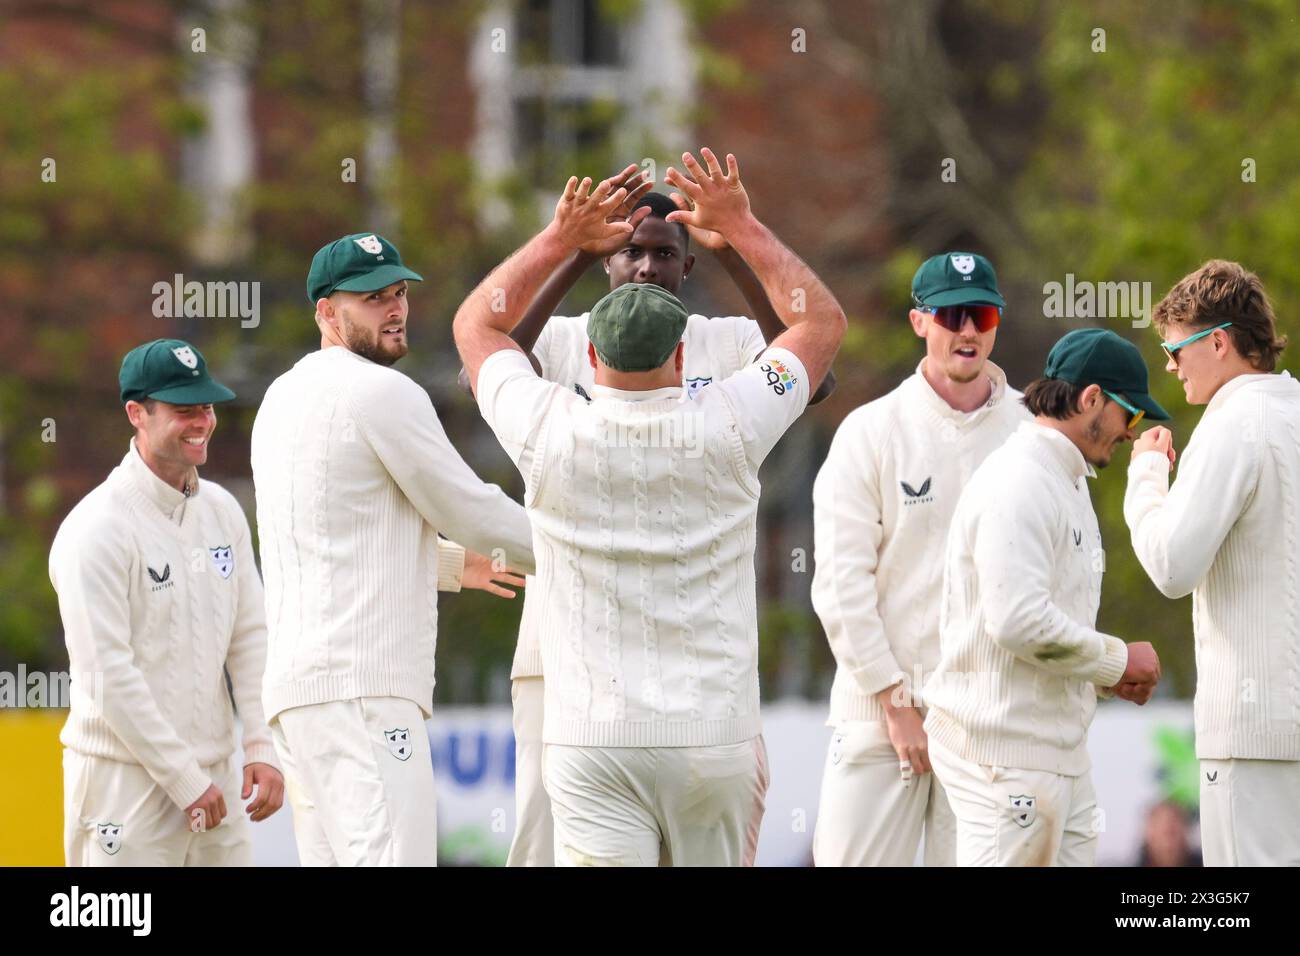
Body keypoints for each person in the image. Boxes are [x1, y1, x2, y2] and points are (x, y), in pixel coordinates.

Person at [455, 149, 846, 865]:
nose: (642, 267)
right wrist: (745, 233)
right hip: (678, 706)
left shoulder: (552, 423)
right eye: (628, 252)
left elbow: (482, 343)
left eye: (662, 254)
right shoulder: (730, 419)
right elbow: (812, 338)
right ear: (678, 365)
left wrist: (564, 244)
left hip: (596, 717)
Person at [251, 233, 534, 866]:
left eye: (400, 293)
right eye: (374, 299)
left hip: (301, 700)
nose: (395, 309)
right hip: (366, 694)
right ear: (326, 312)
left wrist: (457, 565)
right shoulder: (383, 392)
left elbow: (333, 534)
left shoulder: (277, 400)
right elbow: (469, 508)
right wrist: (589, 549)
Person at [810, 252, 1029, 867]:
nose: (967, 331)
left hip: (987, 719)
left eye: (981, 314)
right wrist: (892, 699)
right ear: (918, 322)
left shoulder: (1030, 432)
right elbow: (839, 583)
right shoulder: (870, 430)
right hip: (879, 716)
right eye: (951, 314)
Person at [924, 328, 1166, 866]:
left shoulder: (1067, 479)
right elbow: (1016, 621)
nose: (1131, 434)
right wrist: (1117, 659)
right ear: (1091, 400)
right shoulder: (1021, 479)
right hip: (1004, 756)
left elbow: (1054, 618)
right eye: (1131, 415)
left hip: (1057, 753)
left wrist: (1106, 674)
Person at [51, 338, 283, 865]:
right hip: (123, 784)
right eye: (184, 410)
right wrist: (182, 779)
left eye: (206, 407)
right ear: (137, 413)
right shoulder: (95, 530)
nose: (202, 421)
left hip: (217, 781)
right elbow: (106, 674)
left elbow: (250, 637)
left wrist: (261, 748)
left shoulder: (222, 511)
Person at [1125, 259, 1300, 866]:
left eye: (1175, 351)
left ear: (1219, 342)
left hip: (1254, 740)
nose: (1170, 368)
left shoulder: (1233, 423)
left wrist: (1146, 475)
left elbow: (1171, 566)